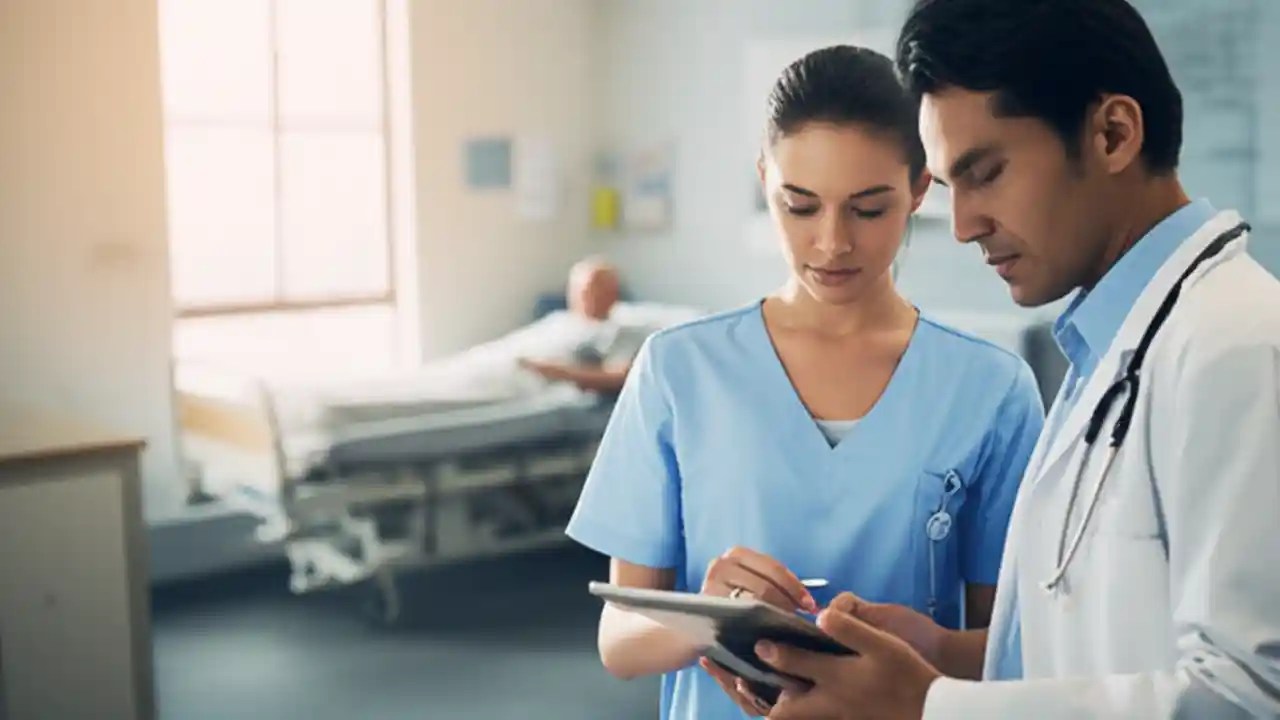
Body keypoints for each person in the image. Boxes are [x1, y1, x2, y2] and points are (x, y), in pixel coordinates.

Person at [752, 2, 1280, 718]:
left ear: (1112, 133)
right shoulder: (1108, 347)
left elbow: (1244, 699)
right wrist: (944, 654)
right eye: (950, 187)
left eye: (987, 172)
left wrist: (928, 706)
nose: (965, 225)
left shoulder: (1238, 345)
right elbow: (1098, 648)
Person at [564, 45, 1045, 720]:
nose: (831, 243)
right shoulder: (680, 371)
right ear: (766, 182)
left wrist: (927, 646)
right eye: (800, 205)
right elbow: (619, 643)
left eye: (868, 210)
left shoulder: (991, 389)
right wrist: (704, 616)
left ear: (919, 189)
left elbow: (1017, 650)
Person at [519, 257, 645, 393]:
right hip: (518, 378)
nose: (580, 296)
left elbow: (617, 377)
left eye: (588, 290)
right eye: (576, 289)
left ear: (612, 292)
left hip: (565, 395)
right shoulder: (556, 321)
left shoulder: (623, 331)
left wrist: (558, 372)